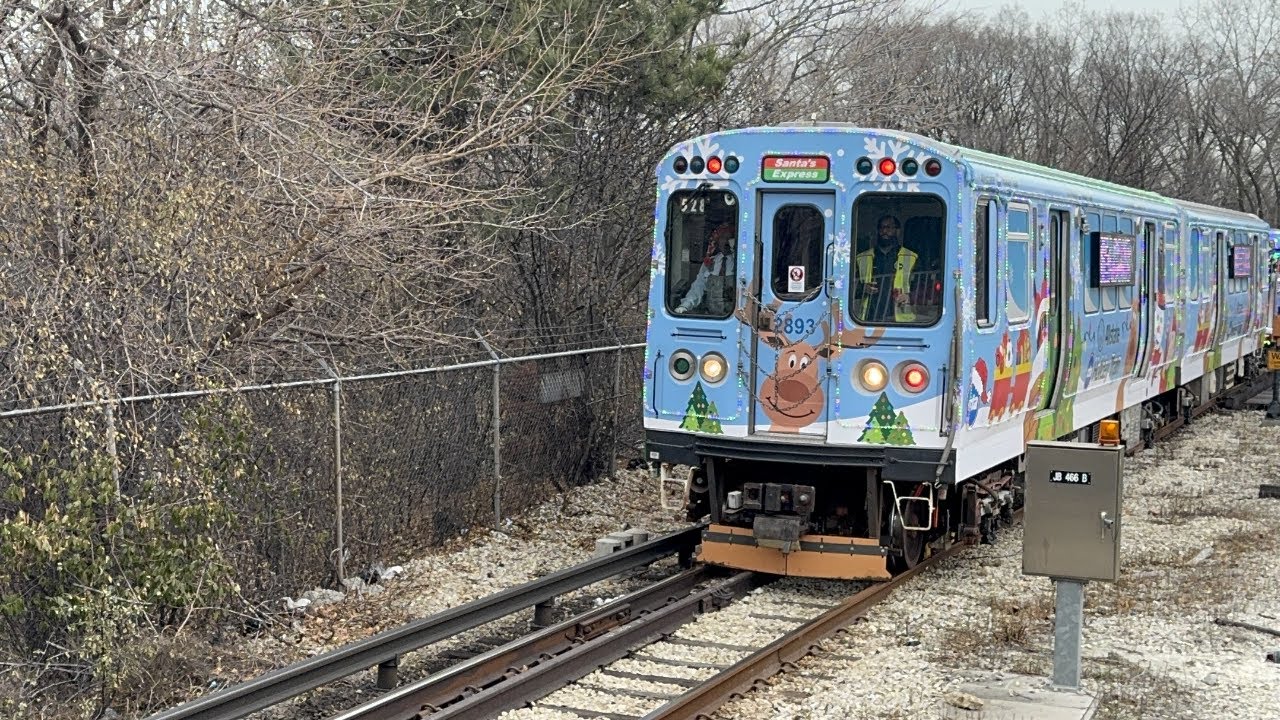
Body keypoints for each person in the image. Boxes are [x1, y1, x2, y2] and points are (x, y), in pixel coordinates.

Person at [854, 214, 918, 323]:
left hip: (899, 321)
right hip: (868, 319)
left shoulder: (911, 257)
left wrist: (908, 296)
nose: (884, 231)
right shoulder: (862, 258)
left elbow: (921, 287)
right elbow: (850, 286)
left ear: (897, 231)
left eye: (889, 227)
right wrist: (863, 288)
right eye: (881, 228)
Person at [675, 223, 736, 314]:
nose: (726, 242)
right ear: (718, 241)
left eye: (729, 238)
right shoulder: (709, 263)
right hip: (711, 316)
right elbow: (698, 286)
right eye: (723, 238)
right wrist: (685, 306)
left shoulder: (739, 264)